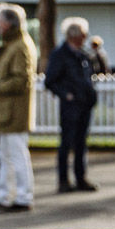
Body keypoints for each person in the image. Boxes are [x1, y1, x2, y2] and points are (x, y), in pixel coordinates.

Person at [0, 3, 38, 212]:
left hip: (14, 111)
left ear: (9, 23)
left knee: (16, 154)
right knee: (5, 155)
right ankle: (3, 195)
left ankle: (23, 196)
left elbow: (21, 79)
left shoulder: (20, 45)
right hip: (9, 110)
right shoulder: (13, 43)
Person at [44, 16, 105, 194]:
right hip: (71, 105)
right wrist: (66, 95)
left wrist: (97, 54)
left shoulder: (83, 54)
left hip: (85, 103)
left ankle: (80, 177)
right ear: (74, 36)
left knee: (81, 142)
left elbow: (97, 71)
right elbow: (50, 81)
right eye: (83, 34)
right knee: (67, 142)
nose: (86, 37)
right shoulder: (60, 55)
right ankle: (63, 180)